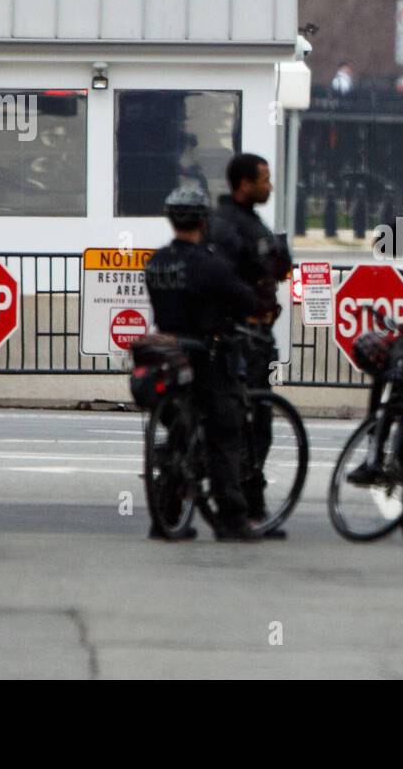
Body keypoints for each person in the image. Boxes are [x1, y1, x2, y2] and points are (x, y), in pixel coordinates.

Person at [144, 185, 259, 541]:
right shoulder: (208, 264)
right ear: (203, 221)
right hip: (205, 357)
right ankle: (232, 520)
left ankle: (165, 516)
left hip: (167, 356)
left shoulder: (157, 261)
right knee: (224, 433)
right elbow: (245, 299)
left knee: (178, 433)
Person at [207, 153, 293, 539]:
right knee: (248, 423)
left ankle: (251, 505)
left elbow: (277, 268)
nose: (269, 186)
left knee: (254, 421)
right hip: (241, 337)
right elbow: (230, 277)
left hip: (254, 335)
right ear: (244, 183)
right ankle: (245, 508)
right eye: (264, 180)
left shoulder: (247, 222)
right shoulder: (229, 225)